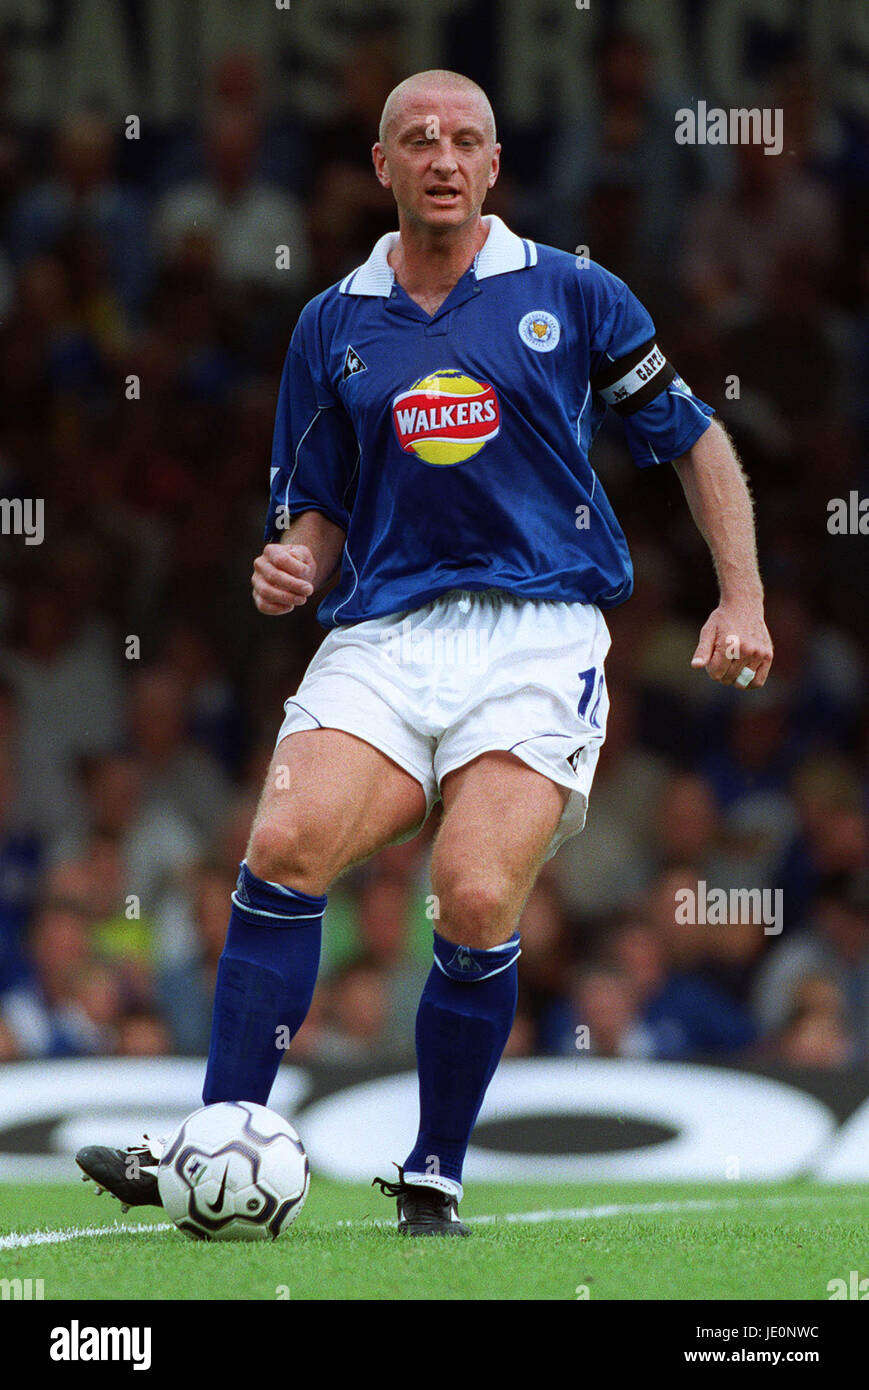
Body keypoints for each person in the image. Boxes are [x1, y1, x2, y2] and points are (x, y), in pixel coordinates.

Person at [75, 70, 773, 1236]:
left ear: (493, 165)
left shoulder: (574, 292)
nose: (442, 157)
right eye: (417, 140)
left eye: (464, 140)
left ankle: (433, 1174)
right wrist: (292, 560)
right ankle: (213, 1138)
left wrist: (739, 596)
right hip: (385, 633)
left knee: (474, 891)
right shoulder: (331, 321)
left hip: (538, 636)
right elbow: (313, 507)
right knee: (285, 841)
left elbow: (693, 440)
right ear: (381, 166)